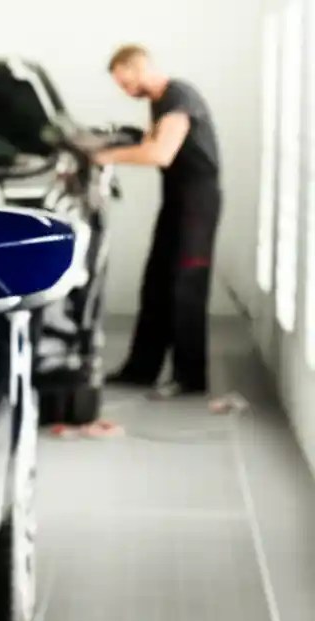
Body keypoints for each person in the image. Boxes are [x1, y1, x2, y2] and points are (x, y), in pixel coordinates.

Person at [93, 44, 221, 399]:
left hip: (197, 204)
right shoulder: (159, 100)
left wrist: (106, 156)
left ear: (138, 68)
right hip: (177, 201)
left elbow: (160, 153)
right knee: (156, 284)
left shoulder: (178, 96)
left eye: (125, 82)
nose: (125, 90)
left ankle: (190, 377)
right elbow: (149, 141)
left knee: (186, 286)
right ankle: (141, 370)